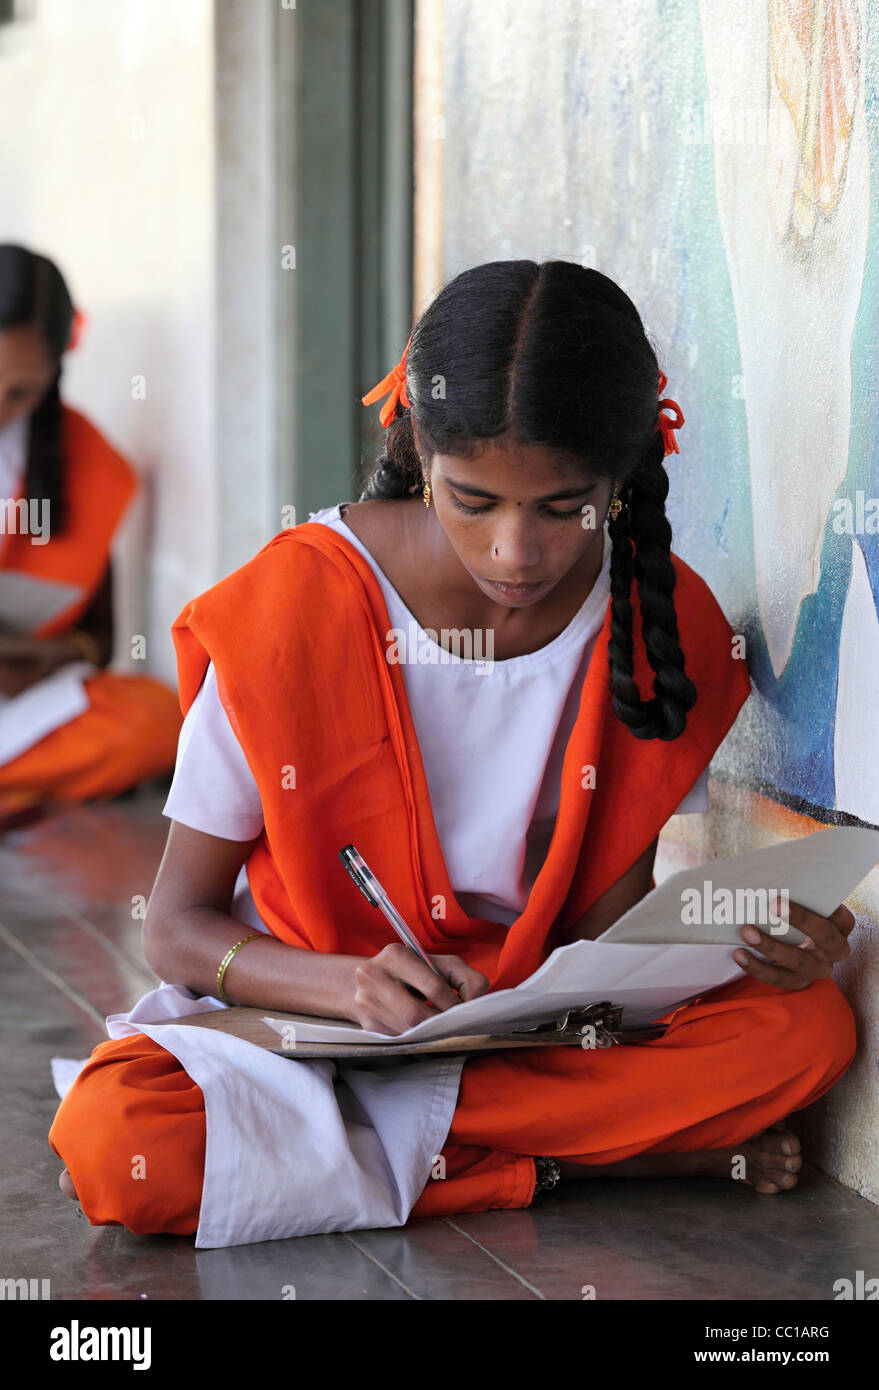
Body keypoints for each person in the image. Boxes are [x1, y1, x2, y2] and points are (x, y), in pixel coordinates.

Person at [48, 261, 856, 1244]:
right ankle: (566, 1159)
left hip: (524, 1032)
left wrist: (750, 945)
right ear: (419, 446)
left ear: (626, 470)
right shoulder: (291, 608)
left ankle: (418, 1148)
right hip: (313, 1031)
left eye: (564, 507)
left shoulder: (662, 622)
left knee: (806, 1030)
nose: (516, 551)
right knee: (119, 1136)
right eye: (474, 501)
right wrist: (344, 985)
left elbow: (604, 946)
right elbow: (176, 927)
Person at [0, 245, 182, 829]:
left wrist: (39, 661)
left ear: (55, 370)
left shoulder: (89, 468)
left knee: (158, 719)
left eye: (19, 392)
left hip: (15, 705)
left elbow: (98, 642)